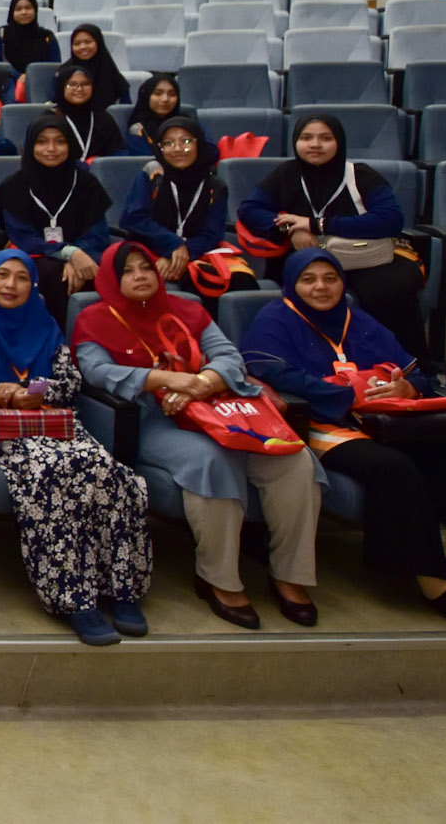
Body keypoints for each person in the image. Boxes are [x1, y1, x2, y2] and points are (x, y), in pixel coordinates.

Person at [241, 250, 446, 632]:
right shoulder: (274, 321)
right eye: (308, 279)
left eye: (330, 278)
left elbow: (419, 374)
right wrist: (350, 396)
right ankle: (435, 583)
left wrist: (407, 387)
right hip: (326, 427)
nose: (320, 287)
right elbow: (267, 373)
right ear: (292, 285)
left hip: (393, 422)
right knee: (394, 470)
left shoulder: (358, 319)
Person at [73, 242, 322, 629]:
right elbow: (97, 372)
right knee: (212, 460)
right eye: (128, 271)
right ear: (111, 277)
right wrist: (165, 379)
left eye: (146, 268)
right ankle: (218, 578)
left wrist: (202, 383)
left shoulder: (189, 310)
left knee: (293, 458)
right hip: (153, 420)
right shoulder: (93, 319)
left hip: (217, 410)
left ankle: (290, 574)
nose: (141, 276)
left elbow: (228, 356)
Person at [0, 251, 152, 645]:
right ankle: (77, 600)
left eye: (22, 278)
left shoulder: (47, 323)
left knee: (114, 474)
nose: (10, 285)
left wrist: (34, 393)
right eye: (2, 275)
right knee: (54, 476)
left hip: (54, 424)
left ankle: (123, 589)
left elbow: (70, 382)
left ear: (33, 285)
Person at [237, 113, 427, 356]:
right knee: (305, 284)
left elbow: (390, 219)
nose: (315, 144)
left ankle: (406, 365)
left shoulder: (361, 175)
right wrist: (289, 230)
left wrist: (317, 225)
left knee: (390, 289)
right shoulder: (287, 173)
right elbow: (249, 210)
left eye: (325, 138)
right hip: (308, 257)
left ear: (339, 142)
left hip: (365, 257)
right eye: (307, 137)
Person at [0, 116, 114, 325]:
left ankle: (90, 340)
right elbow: (23, 236)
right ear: (31, 145)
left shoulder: (86, 183)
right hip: (36, 256)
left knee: (98, 270)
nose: (51, 148)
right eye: (42, 141)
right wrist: (69, 253)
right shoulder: (15, 185)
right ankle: (56, 343)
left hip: (84, 255)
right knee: (54, 272)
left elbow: (97, 232)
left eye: (60, 141)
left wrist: (78, 255)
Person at [119, 117, 258, 305]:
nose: (177, 149)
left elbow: (211, 234)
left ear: (198, 144)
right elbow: (132, 218)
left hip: (197, 251)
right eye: (168, 143)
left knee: (241, 280)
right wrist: (173, 245)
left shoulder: (215, 186)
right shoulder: (153, 173)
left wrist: (180, 255)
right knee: (196, 285)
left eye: (185, 141)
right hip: (150, 249)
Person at [48, 61, 129, 160]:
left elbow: (119, 151)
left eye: (85, 84)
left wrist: (100, 164)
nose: (79, 89)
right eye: (72, 84)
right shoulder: (51, 118)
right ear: (62, 88)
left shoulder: (103, 118)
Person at [64, 23, 130, 104]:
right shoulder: (63, 73)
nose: (83, 47)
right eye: (77, 43)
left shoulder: (113, 76)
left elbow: (122, 111)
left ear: (99, 43)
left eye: (88, 42)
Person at [0, 0, 59, 77]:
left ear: (35, 10)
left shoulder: (47, 36)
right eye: (18, 9)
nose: (24, 12)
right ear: (12, 12)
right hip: (8, 82)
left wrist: (30, 78)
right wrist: (19, 77)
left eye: (28, 8)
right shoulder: (1, 34)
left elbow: (54, 67)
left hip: (41, 81)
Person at [128, 73, 188, 156]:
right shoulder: (139, 128)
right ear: (147, 96)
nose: (165, 99)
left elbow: (208, 149)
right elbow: (144, 159)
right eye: (158, 93)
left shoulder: (187, 122)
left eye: (172, 94)